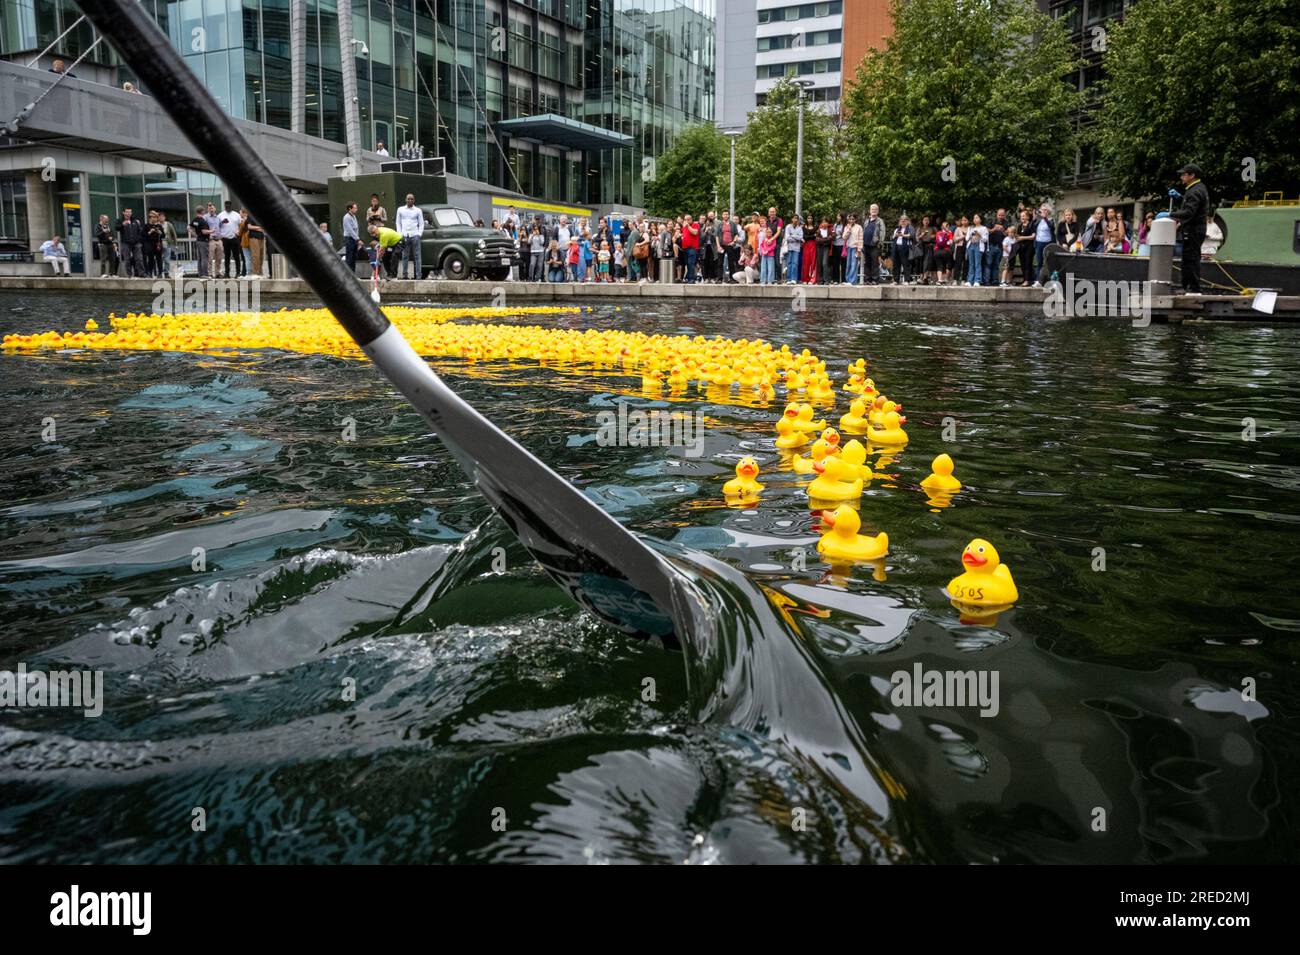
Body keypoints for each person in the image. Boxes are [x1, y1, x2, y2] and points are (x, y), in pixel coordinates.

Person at [1170, 164, 1210, 293]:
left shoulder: (1194, 191)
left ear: (1192, 175)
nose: (1181, 177)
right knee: (1189, 258)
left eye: (1184, 174)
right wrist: (1181, 198)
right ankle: (1187, 287)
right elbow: (1193, 206)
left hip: (1193, 230)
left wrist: (1170, 214)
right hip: (1194, 229)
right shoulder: (1197, 188)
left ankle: (1193, 289)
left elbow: (1189, 212)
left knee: (1191, 259)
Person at [394, 193, 423, 280]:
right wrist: (400, 234)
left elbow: (421, 223)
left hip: (415, 235)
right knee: (404, 256)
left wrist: (419, 234)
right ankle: (405, 275)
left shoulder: (418, 210)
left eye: (412, 199)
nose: (410, 200)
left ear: (414, 200)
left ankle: (418, 275)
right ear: (405, 200)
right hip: (404, 236)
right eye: (408, 199)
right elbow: (398, 223)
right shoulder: (400, 209)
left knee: (417, 256)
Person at [117, 207, 145, 277]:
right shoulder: (120, 220)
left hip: (136, 243)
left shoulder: (135, 221)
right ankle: (129, 274)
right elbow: (116, 228)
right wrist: (122, 224)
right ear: (123, 212)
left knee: (139, 259)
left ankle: (141, 273)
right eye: (127, 212)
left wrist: (139, 239)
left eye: (130, 212)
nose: (128, 214)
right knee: (127, 259)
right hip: (126, 243)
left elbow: (140, 231)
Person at [217, 201, 243, 277]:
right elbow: (217, 226)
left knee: (236, 256)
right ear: (224, 206)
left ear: (231, 206)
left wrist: (238, 233)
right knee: (227, 257)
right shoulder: (220, 215)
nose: (227, 207)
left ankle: (238, 273)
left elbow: (241, 225)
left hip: (234, 238)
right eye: (226, 206)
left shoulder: (237, 215)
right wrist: (222, 223)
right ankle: (227, 273)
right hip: (225, 239)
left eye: (229, 206)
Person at [862, 204, 885, 284]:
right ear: (870, 211)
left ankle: (875, 279)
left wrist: (880, 242)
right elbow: (864, 231)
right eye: (872, 209)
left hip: (875, 245)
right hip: (866, 244)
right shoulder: (866, 221)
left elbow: (882, 232)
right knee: (867, 263)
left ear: (878, 211)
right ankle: (867, 279)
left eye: (875, 209)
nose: (874, 210)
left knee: (875, 263)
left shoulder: (880, 221)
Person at [1032, 203, 1054, 284]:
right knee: (1039, 262)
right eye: (1042, 210)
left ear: (1048, 211)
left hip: (1048, 243)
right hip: (1038, 243)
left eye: (1045, 210)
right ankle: (1038, 280)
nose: (1043, 211)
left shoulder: (1050, 219)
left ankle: (1051, 280)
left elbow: (1051, 227)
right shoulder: (1038, 220)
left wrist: (1045, 218)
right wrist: (1034, 219)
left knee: (1049, 262)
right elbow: (1032, 227)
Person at [1014, 209, 1035, 285]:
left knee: (1028, 263)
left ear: (1028, 217)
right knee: (1022, 263)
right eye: (1021, 216)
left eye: (1023, 216)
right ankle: (1025, 279)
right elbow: (1018, 235)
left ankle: (1028, 280)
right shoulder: (1020, 226)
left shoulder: (1031, 224)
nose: (1022, 217)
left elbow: (1033, 236)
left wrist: (1023, 238)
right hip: (1021, 247)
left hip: (1029, 246)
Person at [964, 214, 987, 286]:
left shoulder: (984, 228)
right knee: (971, 263)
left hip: (978, 246)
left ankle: (977, 280)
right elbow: (966, 238)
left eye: (977, 218)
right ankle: (970, 280)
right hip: (971, 246)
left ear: (980, 219)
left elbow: (985, 239)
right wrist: (971, 233)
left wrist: (979, 234)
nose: (975, 219)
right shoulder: (970, 228)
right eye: (974, 218)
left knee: (977, 263)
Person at [892, 215, 915, 284]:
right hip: (896, 247)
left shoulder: (910, 228)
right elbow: (892, 237)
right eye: (901, 220)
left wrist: (903, 235)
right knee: (896, 264)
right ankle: (896, 280)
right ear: (899, 221)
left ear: (908, 221)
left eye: (905, 220)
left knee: (906, 264)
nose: (903, 221)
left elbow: (912, 235)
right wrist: (895, 235)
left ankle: (907, 280)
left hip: (905, 247)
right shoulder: (897, 229)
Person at [782, 215, 804, 284]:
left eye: (797, 219)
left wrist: (792, 235)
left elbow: (800, 237)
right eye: (794, 218)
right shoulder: (788, 227)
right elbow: (787, 238)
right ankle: (788, 279)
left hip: (796, 248)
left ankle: (794, 279)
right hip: (789, 248)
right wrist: (796, 237)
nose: (796, 220)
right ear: (792, 219)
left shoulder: (800, 228)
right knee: (789, 263)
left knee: (795, 263)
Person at [204, 202, 222, 276]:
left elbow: (220, 227)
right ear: (208, 209)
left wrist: (221, 235)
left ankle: (218, 272)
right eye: (209, 208)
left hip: (219, 240)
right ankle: (210, 273)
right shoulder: (205, 217)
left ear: (215, 209)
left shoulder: (218, 218)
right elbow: (203, 228)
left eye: (212, 208)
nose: (211, 209)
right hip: (211, 240)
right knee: (210, 258)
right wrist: (208, 235)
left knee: (219, 258)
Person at [144, 211, 164, 277]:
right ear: (150, 218)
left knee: (159, 259)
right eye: (153, 217)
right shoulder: (146, 226)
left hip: (158, 243)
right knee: (150, 259)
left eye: (156, 217)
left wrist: (160, 232)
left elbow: (163, 235)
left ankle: (160, 273)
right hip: (149, 243)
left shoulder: (159, 226)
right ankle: (150, 272)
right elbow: (143, 235)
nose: (155, 219)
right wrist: (150, 232)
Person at [245, 214, 265, 278]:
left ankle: (260, 272)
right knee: (256, 255)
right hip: (254, 237)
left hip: (261, 237)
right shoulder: (250, 215)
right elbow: (249, 227)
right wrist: (258, 228)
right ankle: (255, 273)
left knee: (261, 256)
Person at [845, 213, 862, 285]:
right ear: (848, 220)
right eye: (850, 219)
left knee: (854, 264)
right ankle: (848, 280)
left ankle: (852, 281)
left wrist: (859, 250)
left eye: (853, 219)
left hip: (855, 248)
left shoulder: (859, 227)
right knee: (848, 264)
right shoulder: (847, 227)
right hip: (848, 247)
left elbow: (861, 239)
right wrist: (848, 230)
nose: (851, 220)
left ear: (855, 219)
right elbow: (844, 237)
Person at [160, 212, 178, 277]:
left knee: (167, 259)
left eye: (163, 216)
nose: (161, 218)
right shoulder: (157, 224)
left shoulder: (169, 224)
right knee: (159, 259)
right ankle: (159, 272)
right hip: (159, 244)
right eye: (160, 216)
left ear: (165, 217)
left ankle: (166, 273)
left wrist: (175, 244)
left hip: (167, 243)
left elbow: (174, 234)